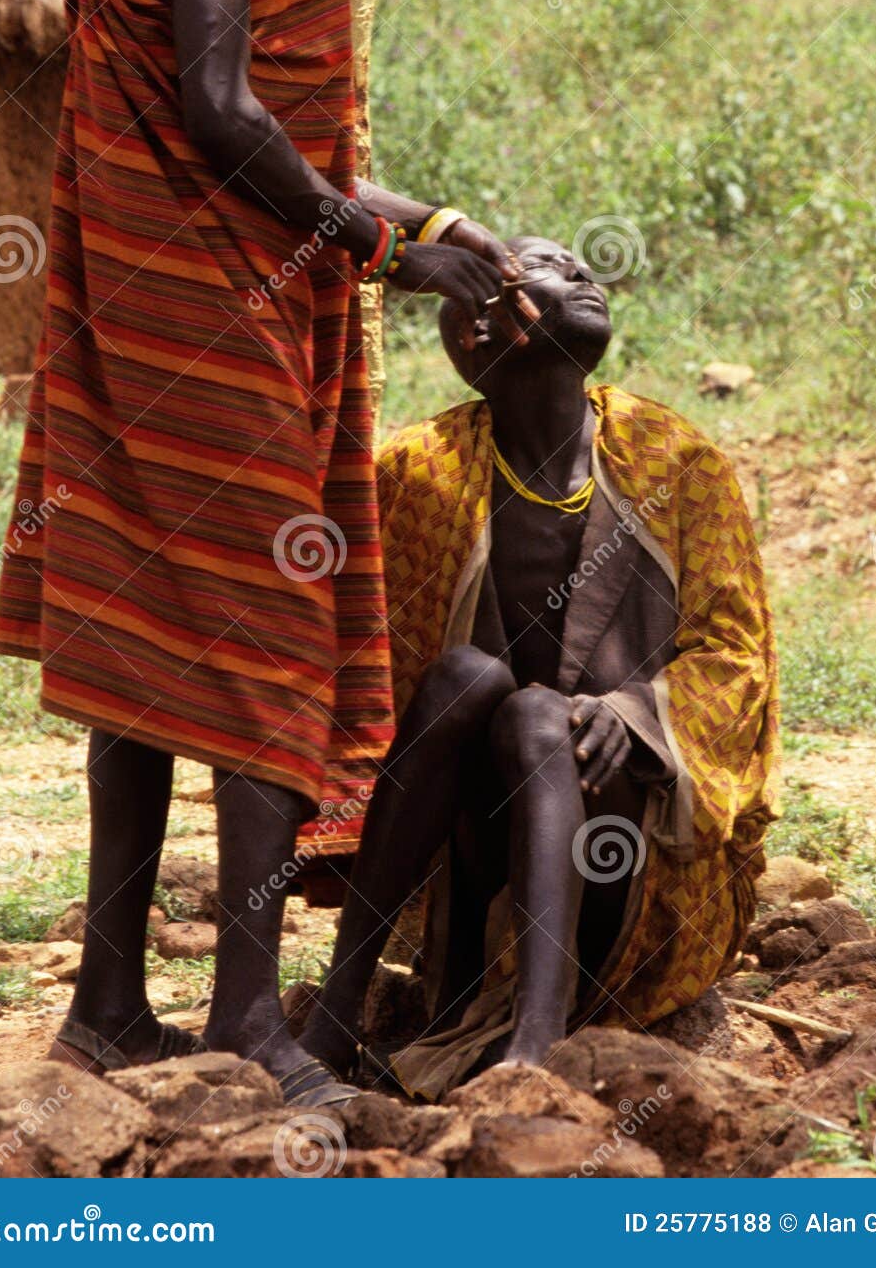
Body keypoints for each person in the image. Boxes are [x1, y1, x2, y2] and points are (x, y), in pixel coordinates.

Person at [0, 0, 532, 1107]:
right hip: (200, 315)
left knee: (157, 637)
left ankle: (109, 1002)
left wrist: (428, 230)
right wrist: (365, 239)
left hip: (169, 298)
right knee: (261, 636)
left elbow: (281, 132)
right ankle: (244, 1007)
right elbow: (221, 109)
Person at [301, 236, 780, 1099]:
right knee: (469, 681)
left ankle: (537, 1039)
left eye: (580, 264)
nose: (585, 276)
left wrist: (635, 710)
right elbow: (368, 675)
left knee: (534, 716)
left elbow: (738, 653)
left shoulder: (673, 459)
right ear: (476, 335)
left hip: (632, 857)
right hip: (486, 866)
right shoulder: (419, 475)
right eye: (549, 268)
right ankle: (340, 1004)